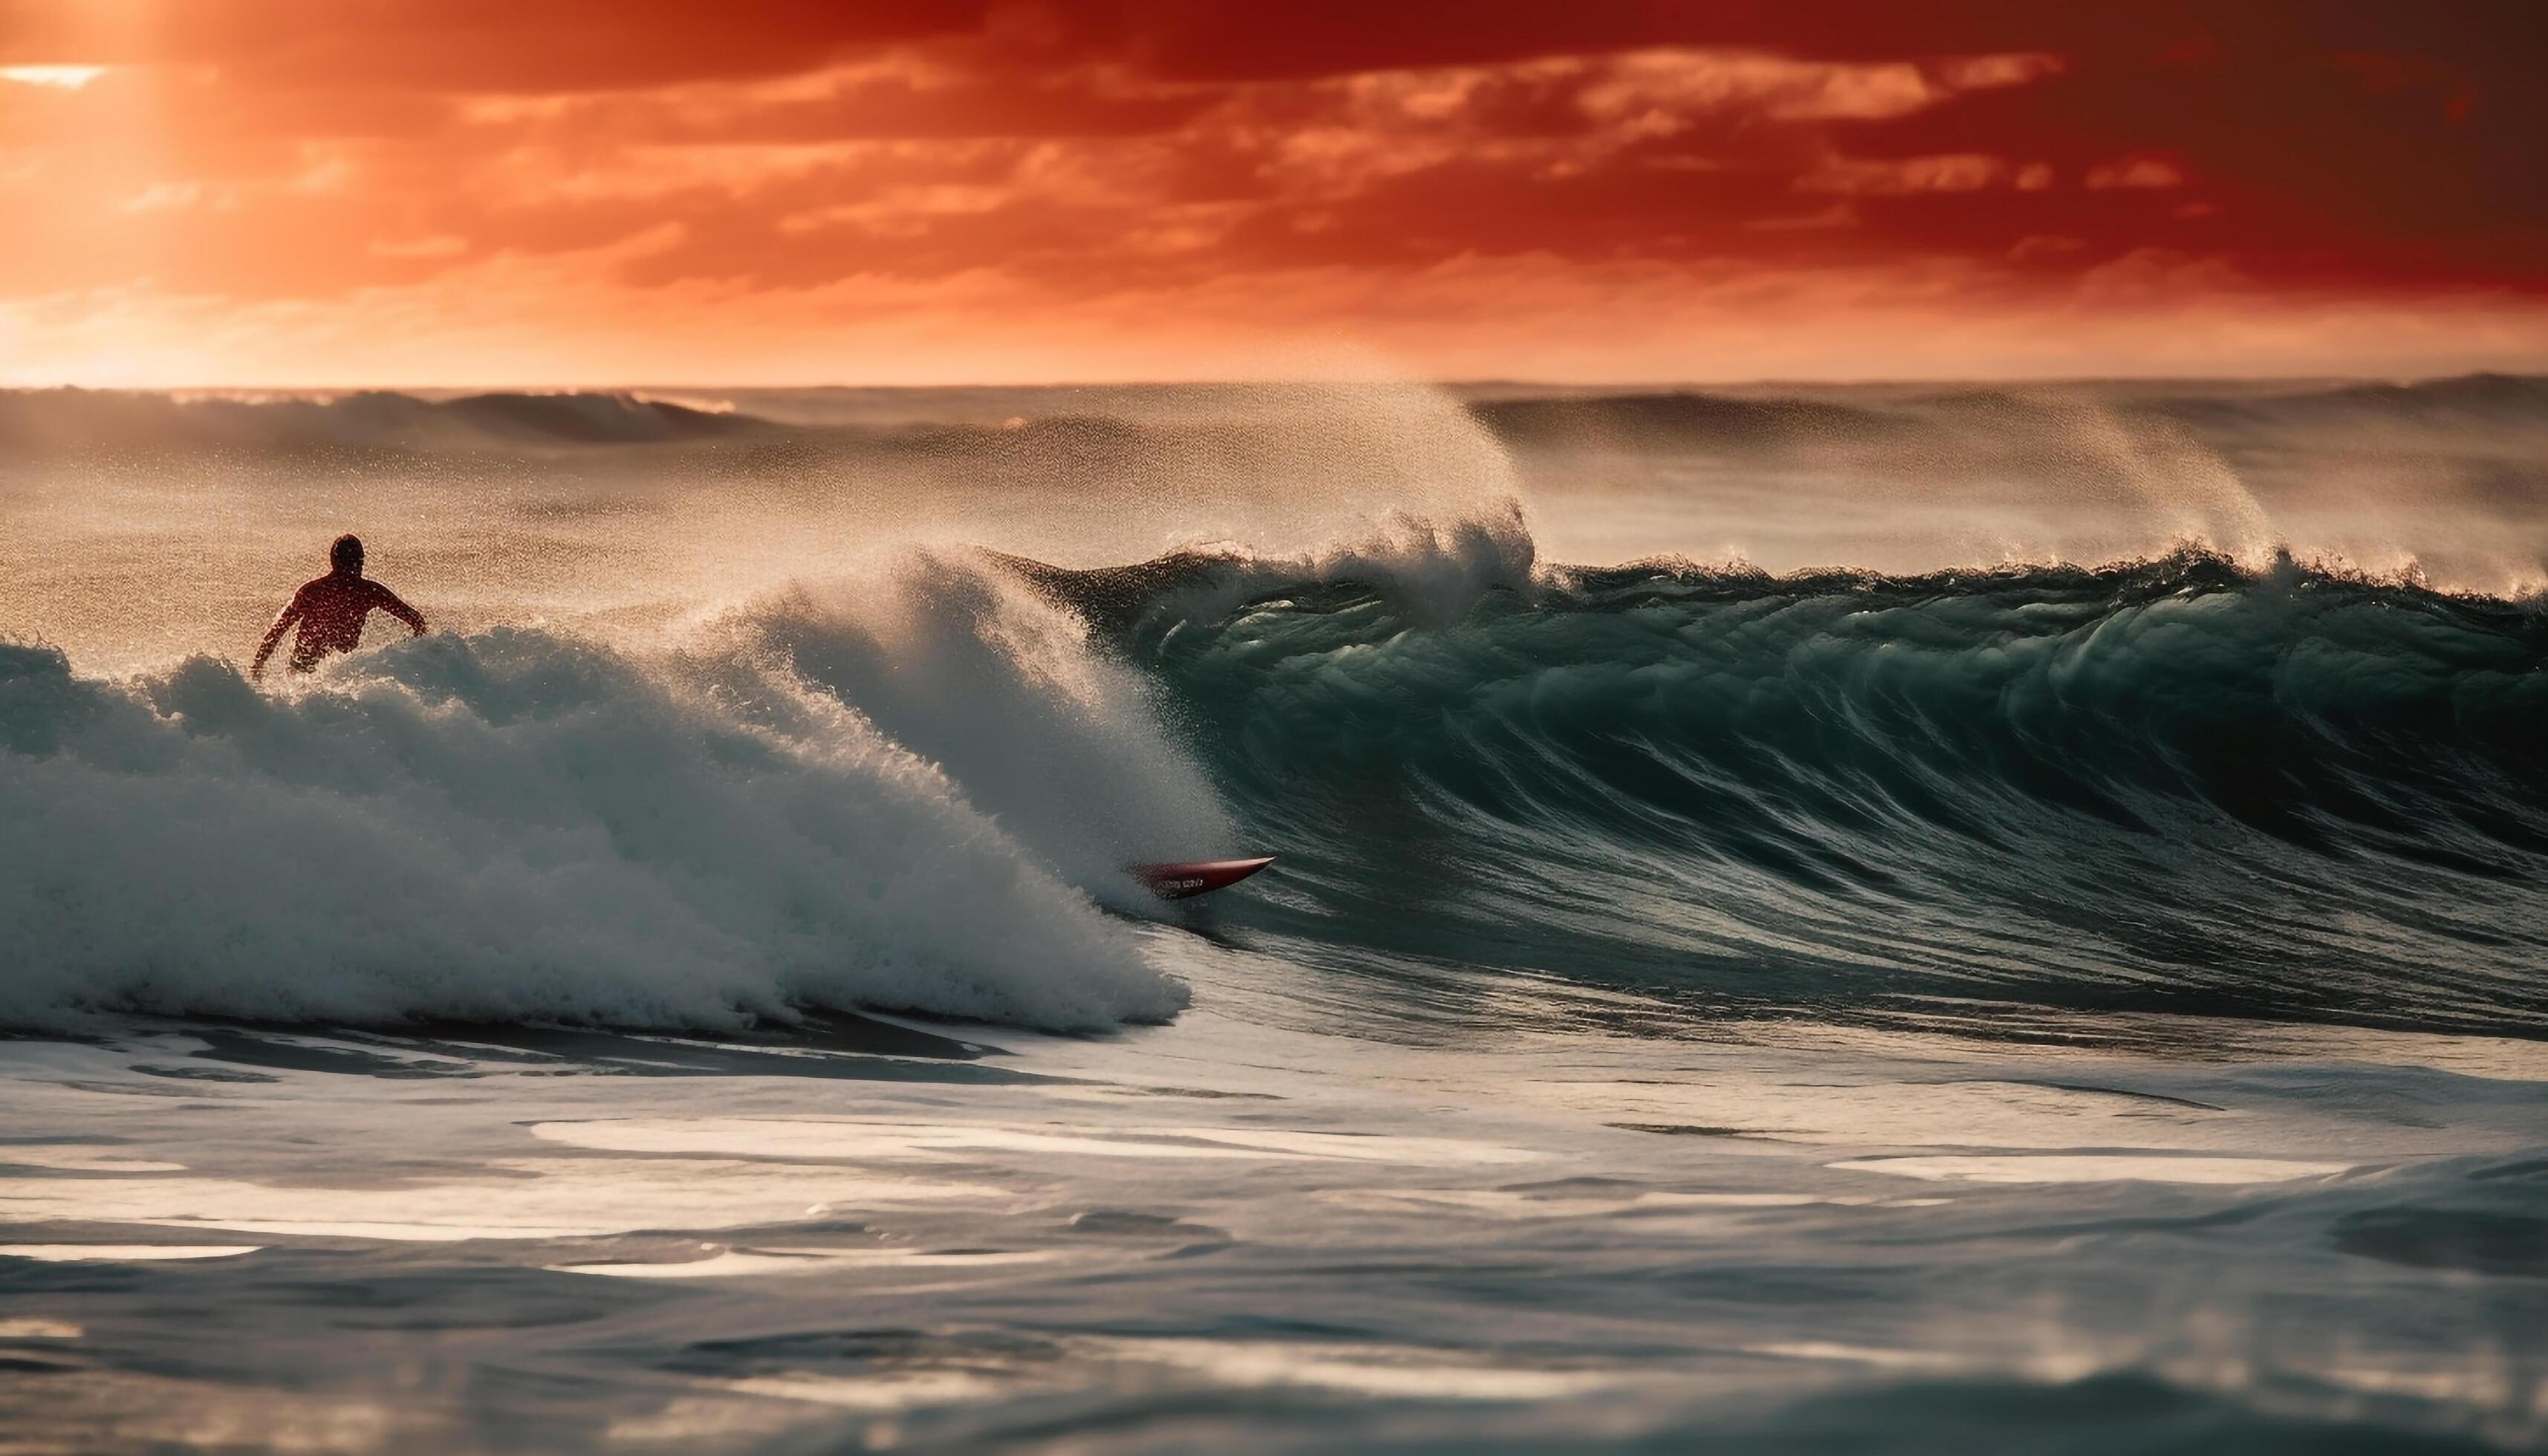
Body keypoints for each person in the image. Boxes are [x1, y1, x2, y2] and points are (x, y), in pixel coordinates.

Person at [250, 533, 428, 678]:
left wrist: (258, 665)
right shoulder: (369, 591)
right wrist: (414, 657)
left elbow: (280, 629)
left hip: (302, 673)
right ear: (361, 562)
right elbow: (417, 621)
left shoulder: (313, 591)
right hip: (341, 673)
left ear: (333, 561)